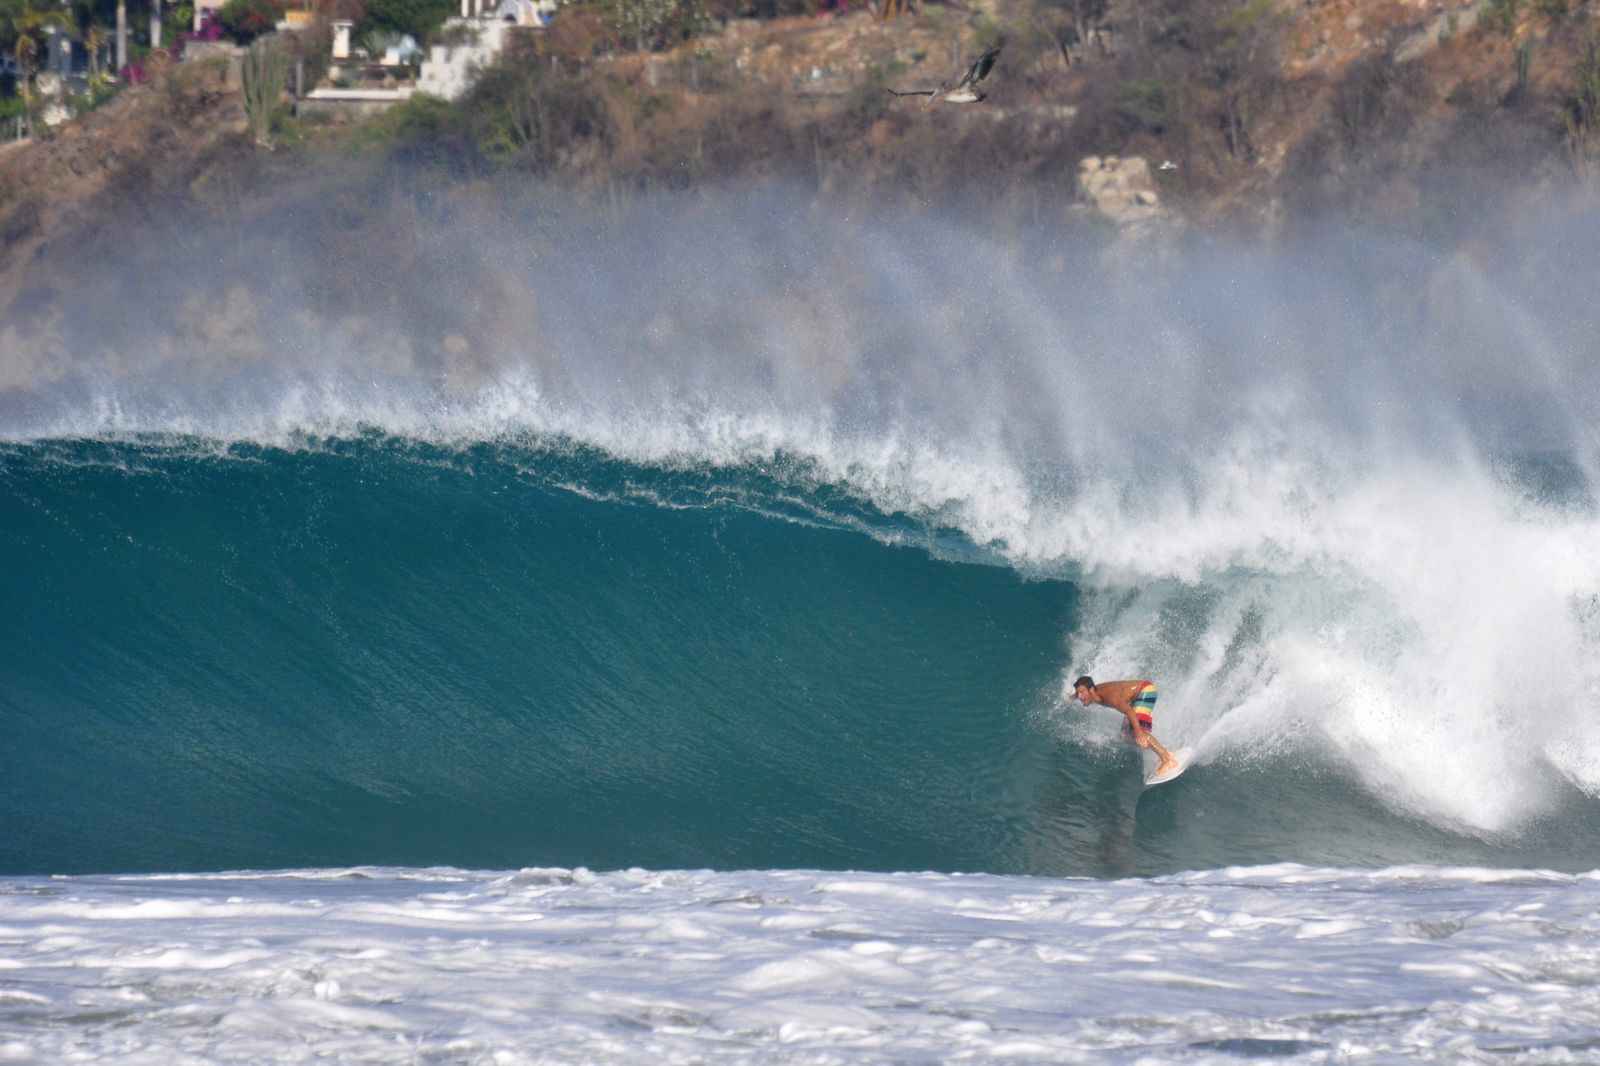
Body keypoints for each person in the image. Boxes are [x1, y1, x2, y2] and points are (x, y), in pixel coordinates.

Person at [1072, 675, 1180, 777]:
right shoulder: (1093, 694)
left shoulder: (1111, 698)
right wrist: (1070, 698)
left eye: (1081, 692)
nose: (1080, 696)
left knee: (1137, 732)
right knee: (1125, 736)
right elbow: (1079, 694)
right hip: (1135, 698)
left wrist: (1138, 732)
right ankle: (1163, 751)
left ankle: (1167, 759)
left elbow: (1129, 711)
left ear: (1091, 690)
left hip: (1145, 691)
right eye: (1078, 693)